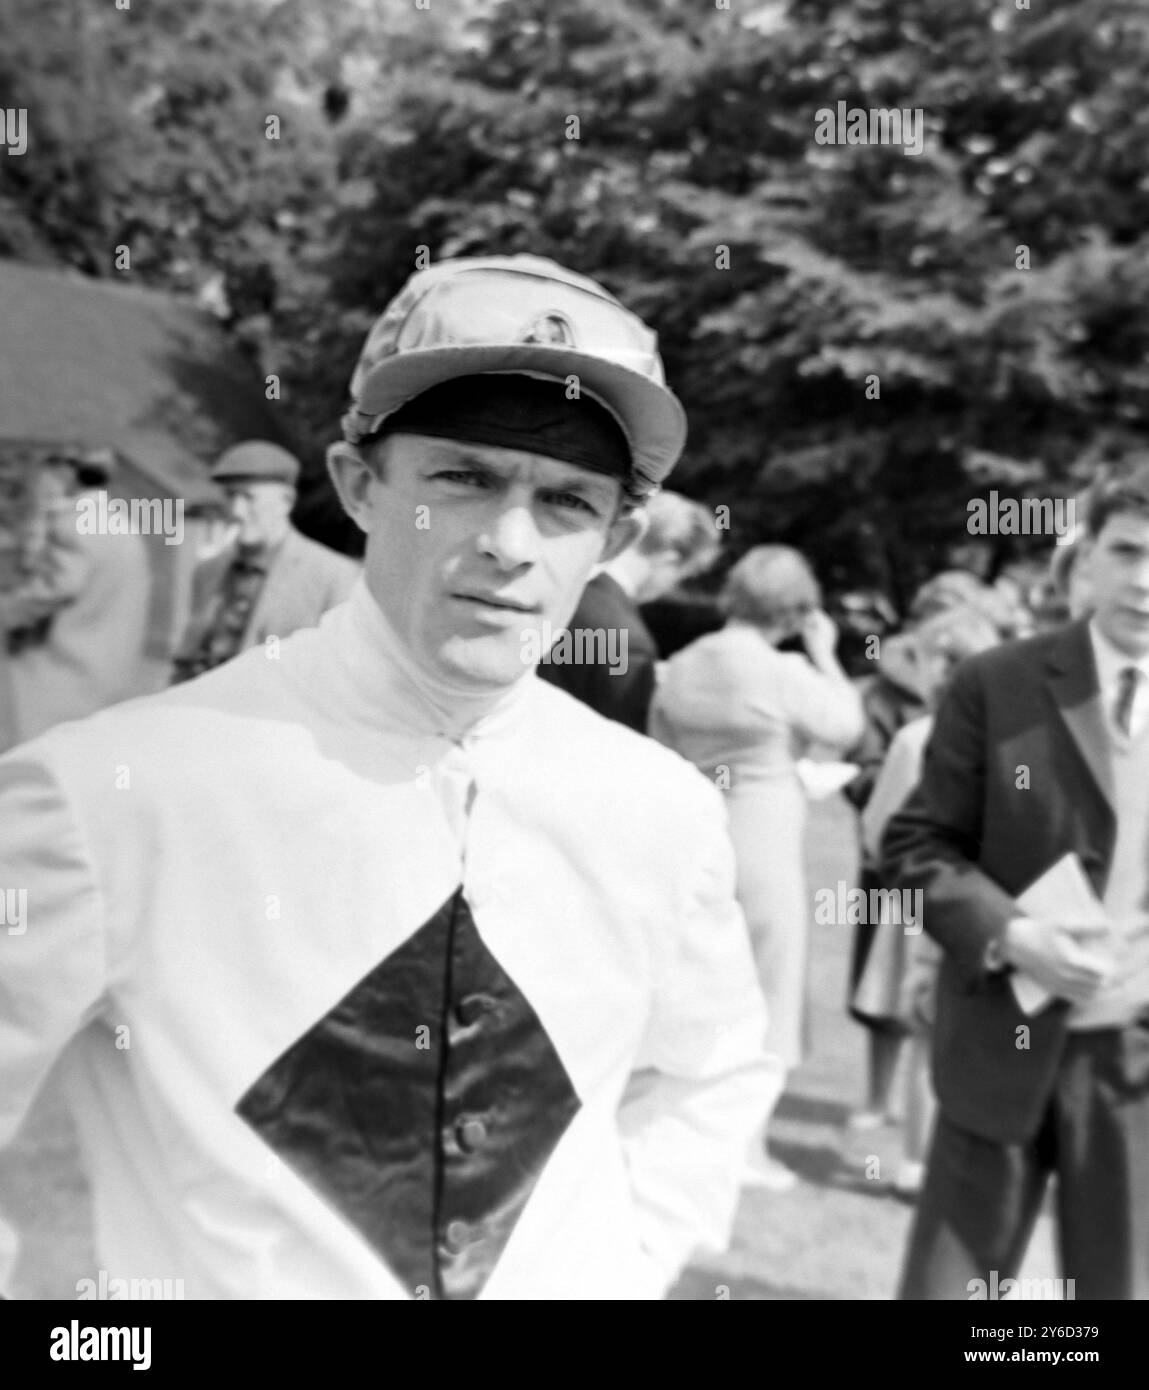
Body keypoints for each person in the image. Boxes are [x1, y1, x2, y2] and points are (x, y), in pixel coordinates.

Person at [0, 253, 776, 1301]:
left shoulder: (663, 808)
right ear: (360, 484)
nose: (509, 542)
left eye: (564, 500)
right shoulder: (107, 793)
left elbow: (712, 1067)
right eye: (462, 477)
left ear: (617, 537)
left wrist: (617, 1265)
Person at [883, 459, 1149, 1300]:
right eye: (1128, 550)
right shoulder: (995, 684)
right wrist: (1009, 935)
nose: (1144, 581)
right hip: (999, 1034)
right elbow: (916, 845)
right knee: (950, 1295)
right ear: (1088, 557)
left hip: (1133, 1066)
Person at [649, 544, 864, 1191]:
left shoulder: (685, 663)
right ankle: (747, 1149)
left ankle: (681, 1130)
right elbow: (846, 724)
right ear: (797, 609)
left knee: (697, 985)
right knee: (770, 992)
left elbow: (660, 740)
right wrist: (825, 653)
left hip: (695, 836)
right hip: (764, 835)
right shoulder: (778, 670)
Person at [850, 606, 1000, 1194]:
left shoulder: (916, 739)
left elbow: (882, 828)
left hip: (923, 903)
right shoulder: (1012, 737)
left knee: (924, 1037)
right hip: (987, 903)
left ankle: (917, 1162)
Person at [0, 446, 149, 753]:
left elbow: (49, 591)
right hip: (104, 679)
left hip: (55, 682)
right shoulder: (120, 524)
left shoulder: (75, 525)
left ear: (66, 473)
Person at [171, 440, 359, 682]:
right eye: (230, 496)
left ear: (286, 502)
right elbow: (185, 660)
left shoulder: (335, 577)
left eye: (249, 498)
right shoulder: (208, 571)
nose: (237, 510)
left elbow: (339, 679)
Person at [537, 489, 719, 731]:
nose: (670, 588)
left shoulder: (552, 590)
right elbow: (623, 741)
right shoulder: (629, 642)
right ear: (670, 560)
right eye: (680, 578)